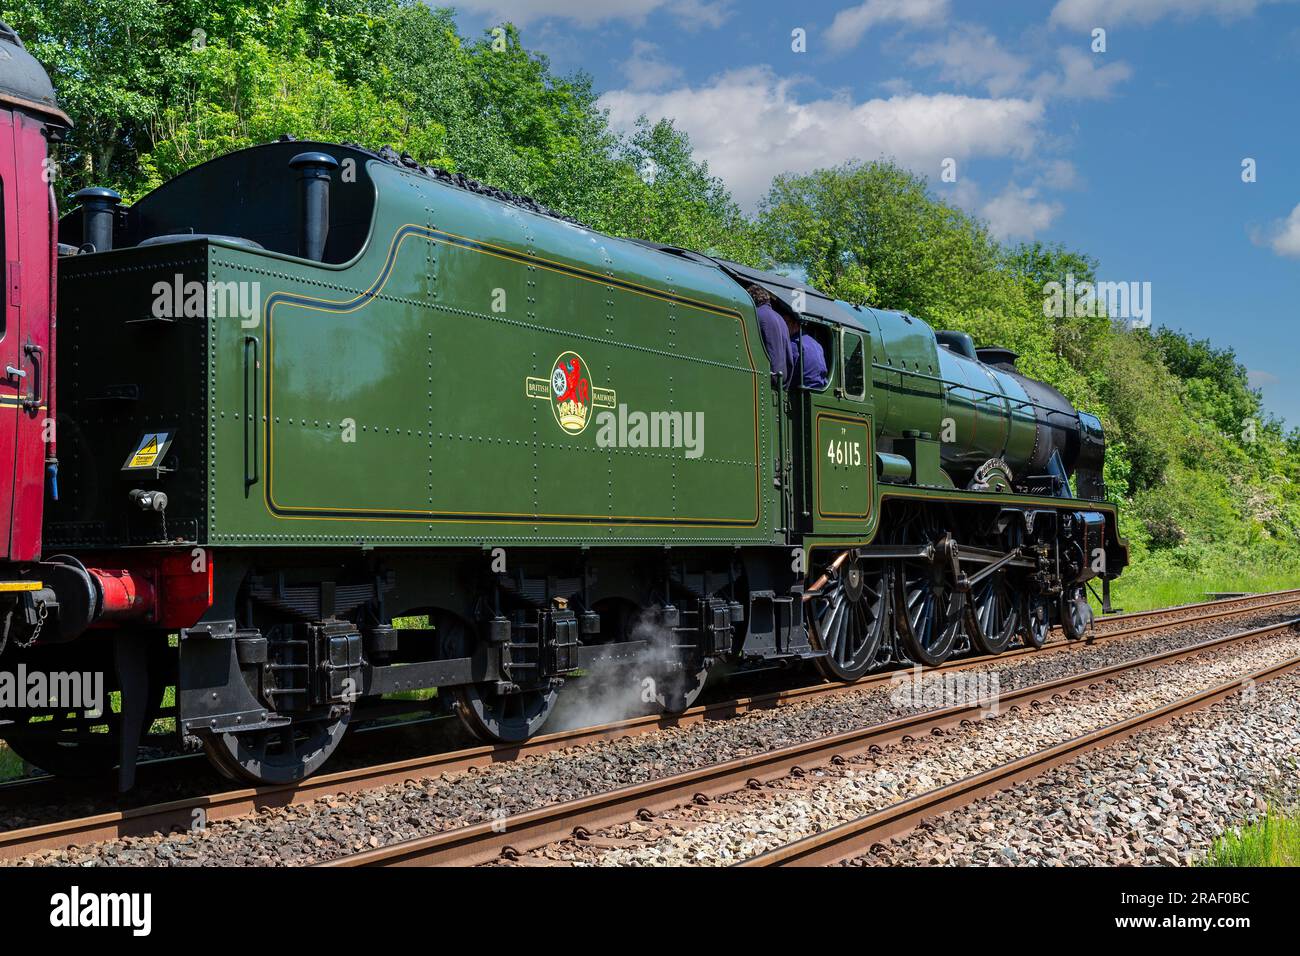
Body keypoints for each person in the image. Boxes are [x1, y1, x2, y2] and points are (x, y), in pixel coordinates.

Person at [747, 284, 791, 386]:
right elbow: (789, 356)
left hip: (765, 378)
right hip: (781, 379)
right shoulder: (781, 319)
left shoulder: (756, 315)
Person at [786, 314, 828, 389]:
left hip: (800, 392)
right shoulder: (817, 344)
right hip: (818, 389)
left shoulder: (793, 345)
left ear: (795, 324)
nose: (783, 327)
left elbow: (786, 374)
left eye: (786, 323)